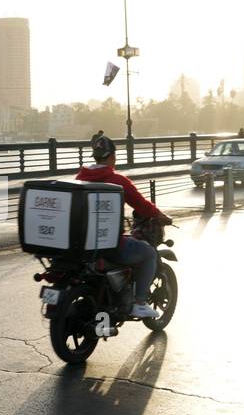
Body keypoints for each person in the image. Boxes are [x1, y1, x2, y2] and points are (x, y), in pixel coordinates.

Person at [75, 134, 175, 320]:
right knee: (149, 254)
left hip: (81, 244)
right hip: (108, 244)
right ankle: (139, 304)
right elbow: (142, 205)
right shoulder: (117, 180)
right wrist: (161, 216)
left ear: (95, 157)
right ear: (112, 157)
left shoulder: (80, 177)